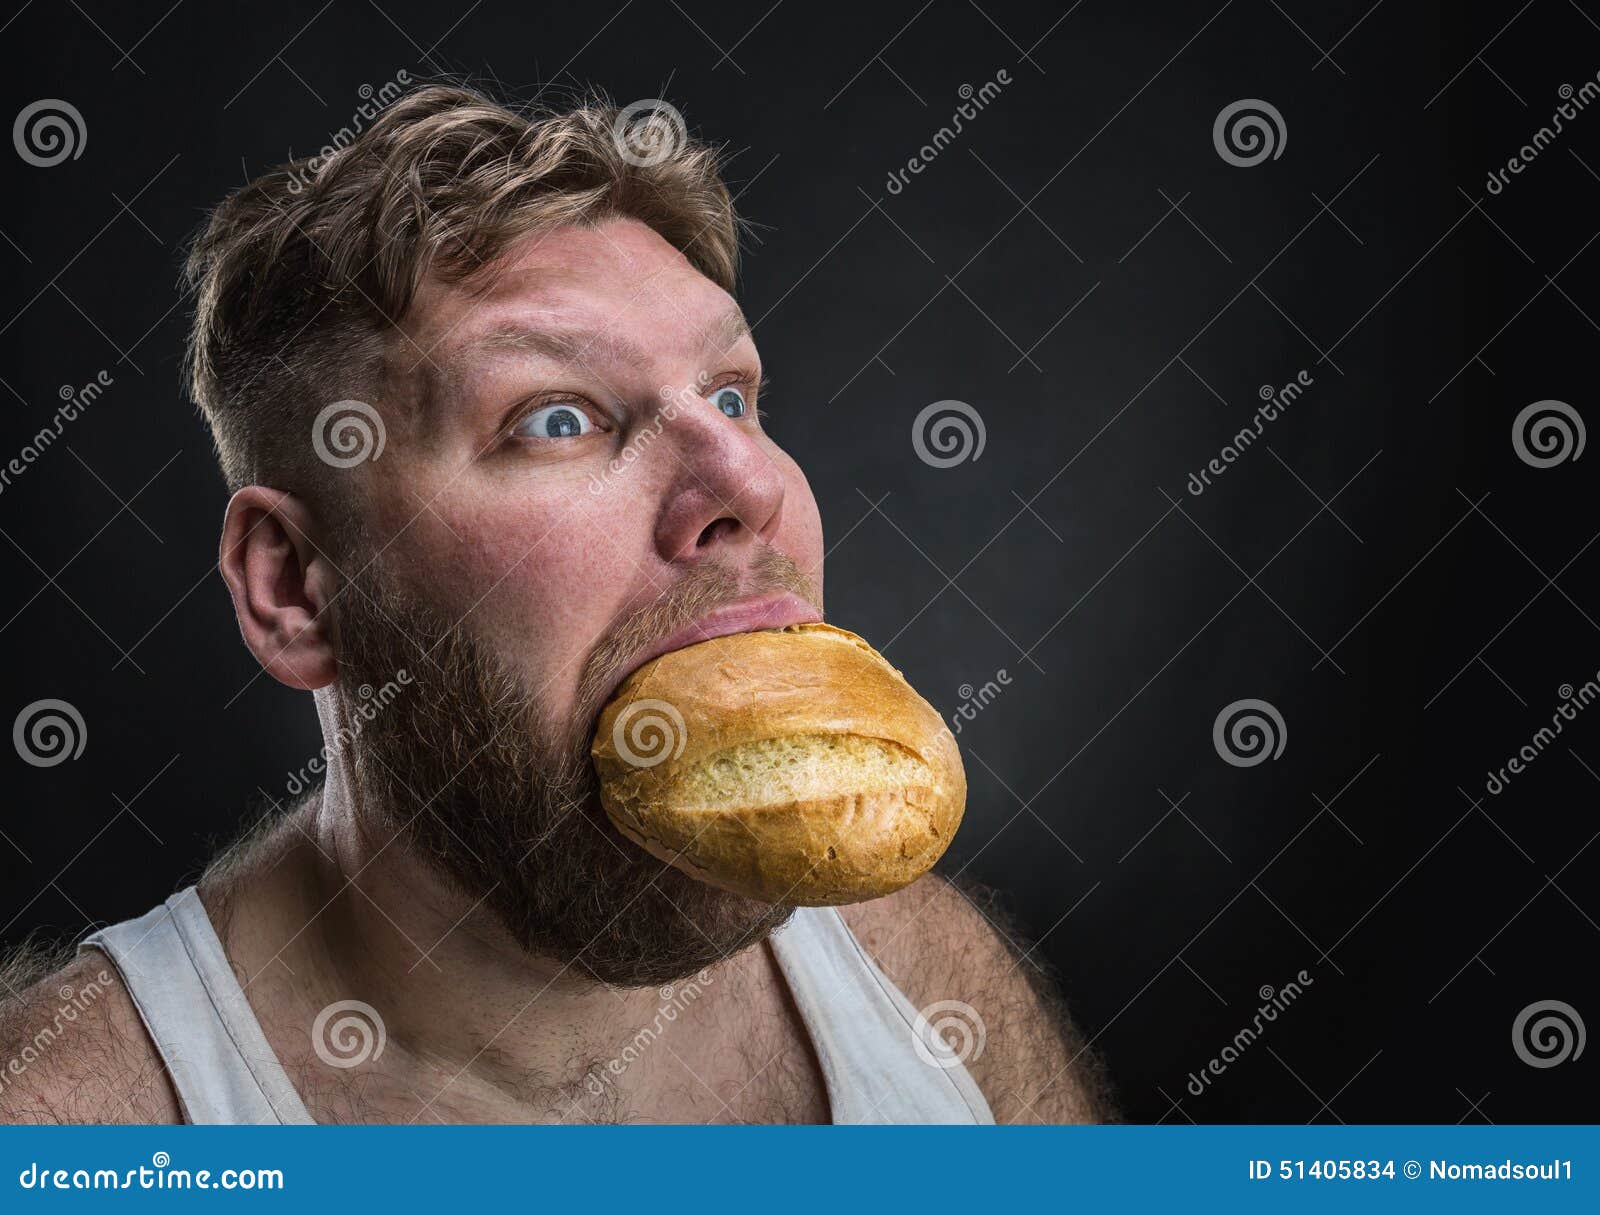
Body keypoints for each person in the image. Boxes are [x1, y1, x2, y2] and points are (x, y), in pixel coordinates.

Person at [0, 84, 1111, 1125]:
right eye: (557, 419)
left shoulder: (927, 986)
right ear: (296, 588)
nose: (749, 486)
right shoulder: (63, 1118)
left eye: (731, 396)